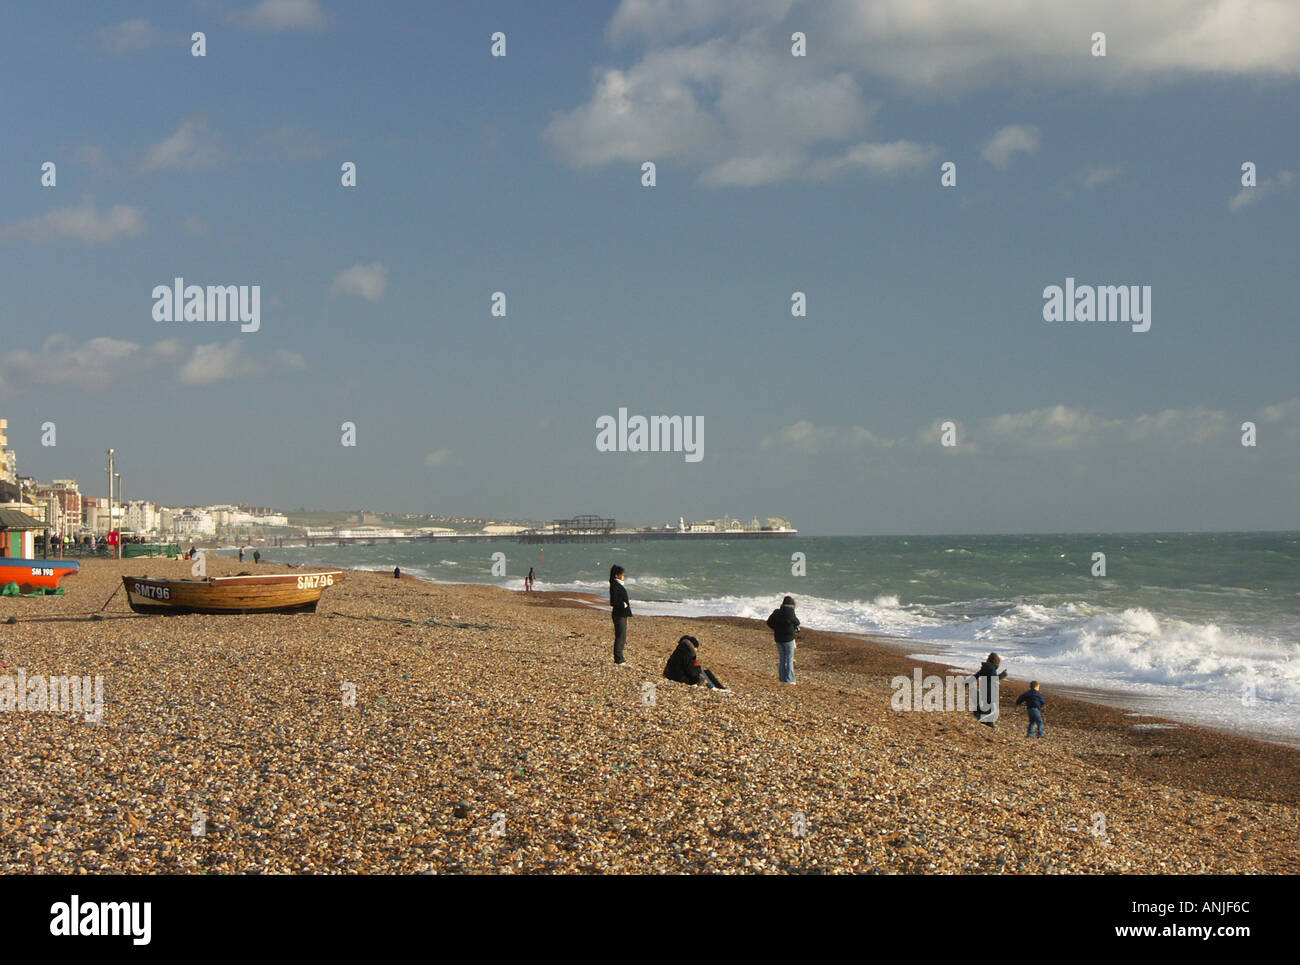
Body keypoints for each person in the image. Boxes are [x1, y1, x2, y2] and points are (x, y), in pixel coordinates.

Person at [766, 596, 801, 684]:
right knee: (789, 658)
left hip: (778, 638)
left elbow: (769, 622)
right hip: (788, 638)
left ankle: (782, 678)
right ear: (792, 604)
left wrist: (776, 628)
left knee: (782, 658)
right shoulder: (790, 611)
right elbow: (797, 622)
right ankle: (790, 679)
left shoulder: (777, 612)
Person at [969, 652, 1008, 727]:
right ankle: (989, 724)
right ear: (997, 662)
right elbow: (994, 679)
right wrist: (1003, 675)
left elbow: (976, 676)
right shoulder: (992, 669)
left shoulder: (985, 667)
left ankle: (981, 717)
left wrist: (967, 683)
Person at [610, 564, 631, 665]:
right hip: (619, 614)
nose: (624, 576)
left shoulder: (618, 584)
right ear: (617, 575)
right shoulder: (615, 585)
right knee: (620, 636)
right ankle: (618, 659)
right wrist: (624, 604)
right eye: (622, 574)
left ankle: (620, 658)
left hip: (622, 614)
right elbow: (613, 601)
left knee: (622, 636)